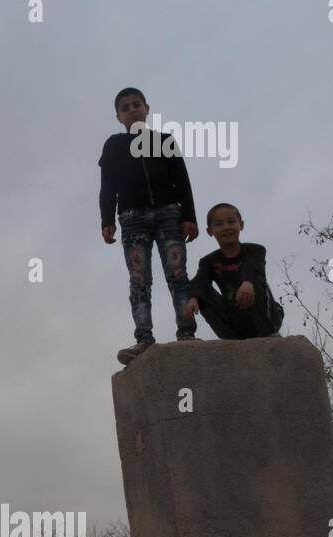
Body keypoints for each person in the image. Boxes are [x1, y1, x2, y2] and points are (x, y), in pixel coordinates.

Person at [99, 87, 199, 365]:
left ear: (147, 107)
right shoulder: (114, 145)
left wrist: (189, 215)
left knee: (178, 274)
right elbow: (107, 186)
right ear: (118, 117)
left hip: (169, 213)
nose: (132, 110)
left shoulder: (164, 140)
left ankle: (187, 334)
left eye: (136, 104)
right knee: (139, 279)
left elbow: (182, 179)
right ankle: (144, 339)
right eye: (125, 107)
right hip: (132, 218)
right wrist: (106, 219)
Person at [185, 203, 284, 339]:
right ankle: (231, 338)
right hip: (237, 322)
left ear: (241, 225)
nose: (226, 227)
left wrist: (247, 282)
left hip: (266, 318)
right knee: (199, 292)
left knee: (255, 279)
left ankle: (269, 334)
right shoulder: (208, 262)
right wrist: (193, 298)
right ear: (210, 231)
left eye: (231, 222)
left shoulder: (255, 250)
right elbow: (201, 280)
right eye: (219, 224)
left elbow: (254, 266)